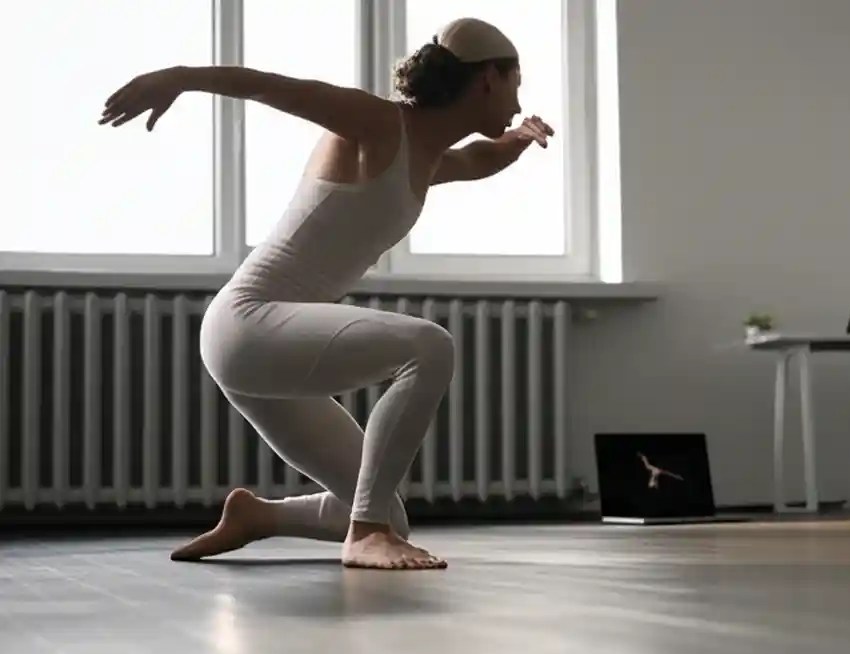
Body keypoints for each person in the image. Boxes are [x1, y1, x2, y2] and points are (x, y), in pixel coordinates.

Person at [98, 18, 554, 570]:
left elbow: (481, 159)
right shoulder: (379, 123)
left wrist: (519, 139)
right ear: (487, 79)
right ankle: (366, 535)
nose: (518, 101)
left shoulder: (428, 157)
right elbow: (276, 88)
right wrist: (179, 77)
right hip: (248, 323)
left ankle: (259, 516)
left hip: (265, 343)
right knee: (430, 347)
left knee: (386, 509)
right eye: (515, 84)